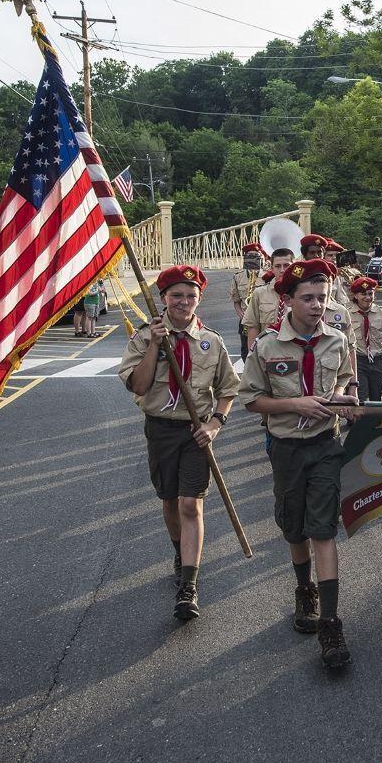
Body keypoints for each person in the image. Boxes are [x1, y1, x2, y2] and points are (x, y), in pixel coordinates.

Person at [237, 258, 360, 669]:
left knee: (322, 529)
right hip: (287, 448)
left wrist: (341, 399)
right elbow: (252, 399)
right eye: (308, 298)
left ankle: (330, 622)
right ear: (287, 299)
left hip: (325, 444)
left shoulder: (337, 341)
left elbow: (342, 378)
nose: (317, 306)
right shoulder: (266, 347)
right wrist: (296, 403)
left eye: (323, 298)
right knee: (294, 526)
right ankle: (303, 590)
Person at [117, 265, 240, 620]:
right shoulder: (144, 337)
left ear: (199, 298)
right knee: (170, 502)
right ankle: (178, 550)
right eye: (176, 296)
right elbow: (139, 386)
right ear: (163, 299)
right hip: (160, 429)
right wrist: (156, 344)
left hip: (195, 432)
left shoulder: (211, 341)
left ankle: (189, 585)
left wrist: (215, 425)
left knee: (191, 504)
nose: (184, 302)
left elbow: (228, 390)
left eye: (191, 295)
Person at [349, 276, 382, 402]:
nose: (368, 297)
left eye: (370, 293)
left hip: (377, 360)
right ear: (356, 295)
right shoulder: (348, 313)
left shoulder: (381, 313)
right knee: (360, 397)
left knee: (377, 400)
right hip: (358, 361)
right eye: (363, 294)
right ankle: (357, 422)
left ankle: (374, 422)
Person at [243, 248, 296, 351]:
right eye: (277, 266)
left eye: (287, 265)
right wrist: (252, 356)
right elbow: (253, 327)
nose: (282, 270)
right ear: (272, 268)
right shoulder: (259, 293)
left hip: (295, 349)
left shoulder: (301, 293)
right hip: (268, 350)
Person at [230, 242, 268, 361]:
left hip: (263, 317)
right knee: (246, 351)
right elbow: (236, 300)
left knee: (264, 348)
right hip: (246, 319)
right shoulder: (238, 276)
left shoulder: (268, 276)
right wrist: (240, 313)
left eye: (256, 256)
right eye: (250, 256)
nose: (253, 259)